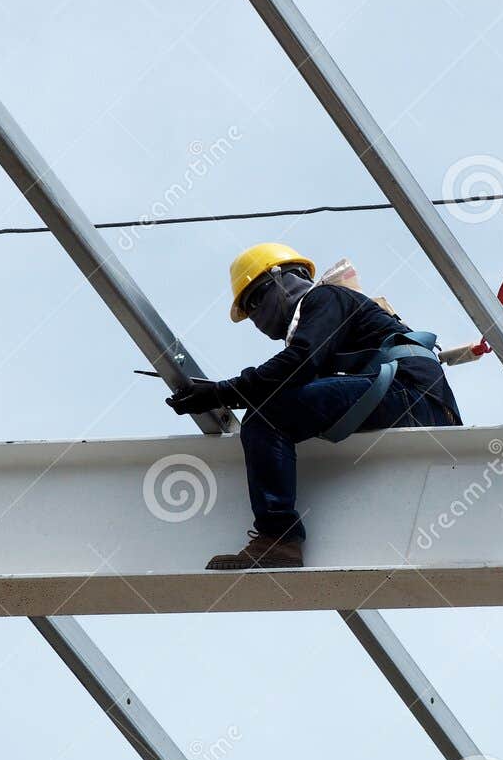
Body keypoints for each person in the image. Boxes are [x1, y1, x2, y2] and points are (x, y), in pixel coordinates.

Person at [167, 243, 462, 570]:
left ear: (279, 281)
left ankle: (279, 537)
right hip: (423, 403)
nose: (256, 319)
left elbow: (298, 363)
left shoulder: (324, 299)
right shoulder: (328, 320)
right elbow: (295, 376)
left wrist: (220, 393)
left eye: (254, 302)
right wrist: (224, 393)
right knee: (279, 405)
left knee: (267, 415)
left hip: (410, 393)